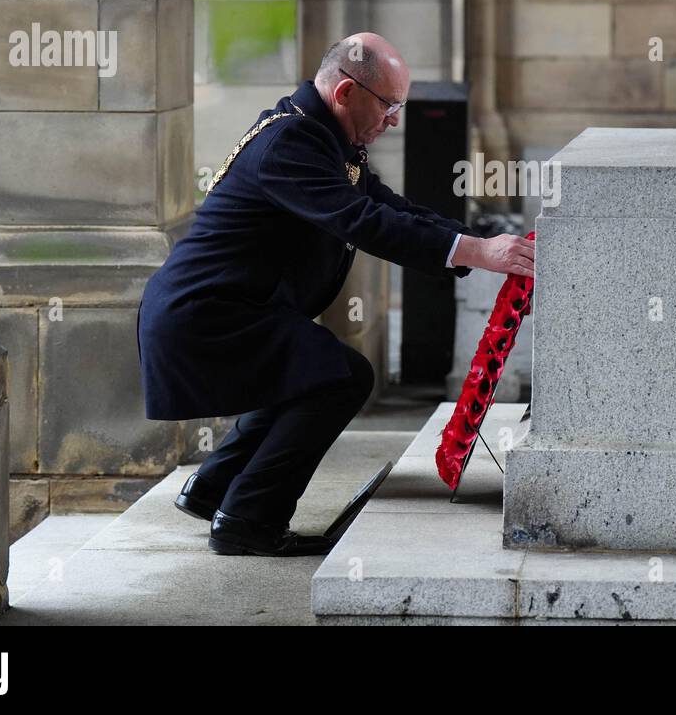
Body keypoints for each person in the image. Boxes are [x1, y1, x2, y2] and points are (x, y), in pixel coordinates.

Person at [136, 32, 535, 555]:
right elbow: (362, 221)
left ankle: (212, 489)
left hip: (226, 309)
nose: (395, 119)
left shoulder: (325, 136)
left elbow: (389, 206)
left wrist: (479, 245)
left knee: (305, 372)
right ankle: (248, 520)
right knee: (341, 376)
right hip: (204, 317)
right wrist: (479, 254)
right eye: (389, 104)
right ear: (346, 93)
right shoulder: (293, 142)